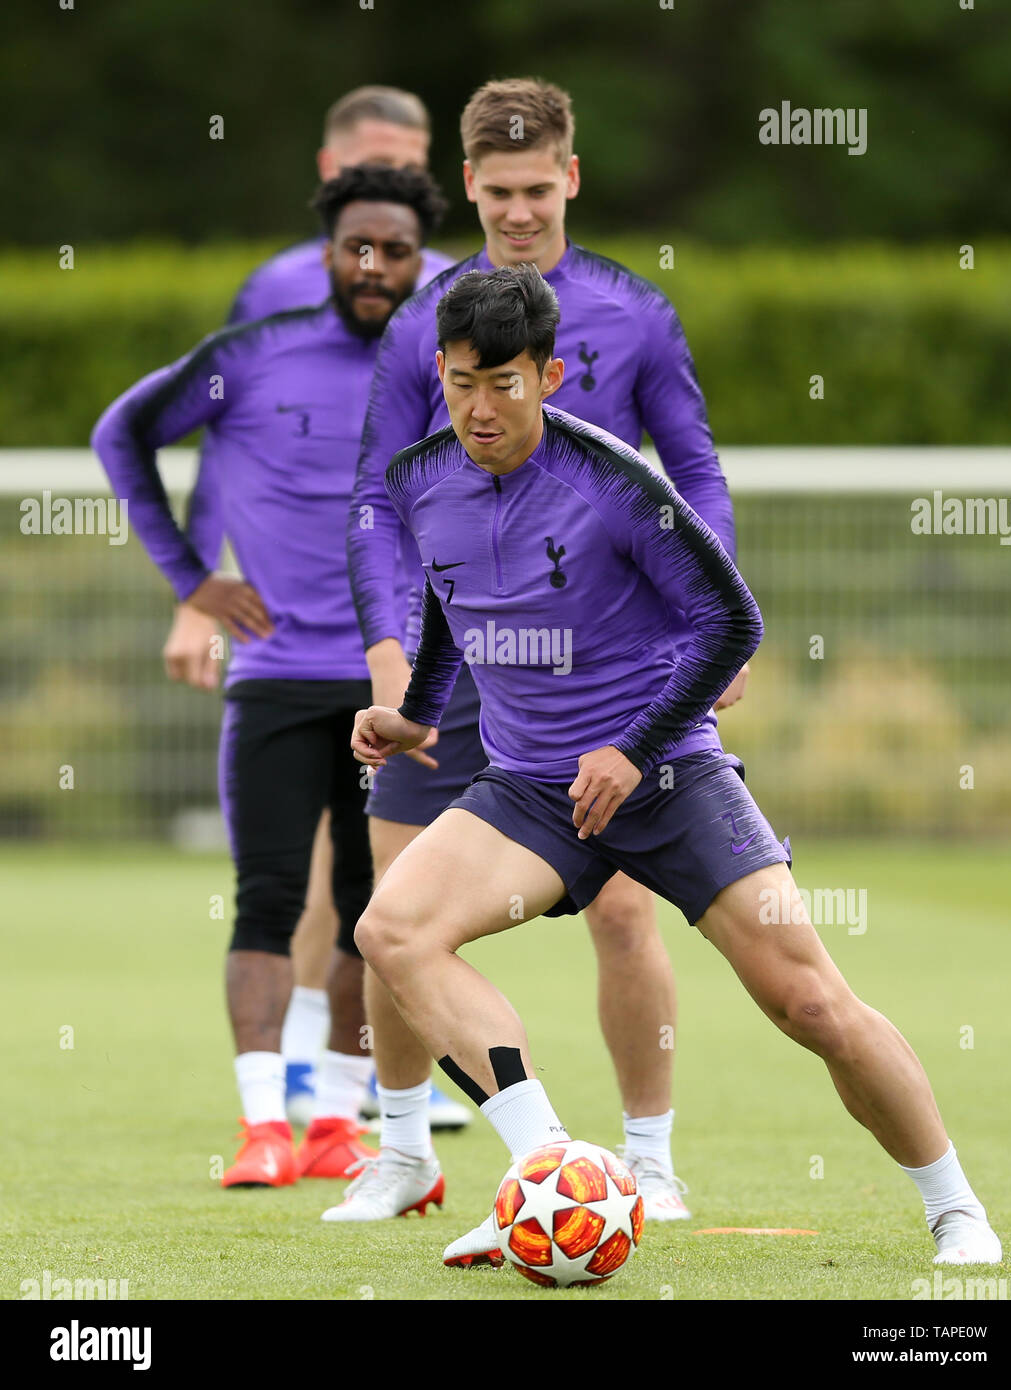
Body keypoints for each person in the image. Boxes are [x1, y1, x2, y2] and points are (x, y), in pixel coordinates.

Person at [351, 264, 1002, 1270]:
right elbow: (446, 607)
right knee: (392, 929)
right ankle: (549, 1168)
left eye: (504, 384)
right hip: (529, 787)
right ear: (438, 371)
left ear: (551, 374)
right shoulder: (416, 483)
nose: (480, 408)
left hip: (667, 775)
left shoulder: (615, 485)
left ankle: (954, 1206)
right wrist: (412, 715)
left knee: (810, 1003)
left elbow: (729, 620)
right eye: (461, 383)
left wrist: (630, 747)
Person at [334, 77, 745, 1236]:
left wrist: (704, 623)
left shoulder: (634, 314)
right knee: (398, 900)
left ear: (570, 177)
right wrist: (387, 656)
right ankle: (404, 1151)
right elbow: (376, 494)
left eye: (537, 189)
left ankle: (646, 1163)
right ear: (466, 184)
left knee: (622, 915)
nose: (517, 212)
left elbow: (694, 472)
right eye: (496, 192)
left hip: (603, 668)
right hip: (455, 657)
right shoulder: (427, 320)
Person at [92, 165, 453, 1187]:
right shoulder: (248, 359)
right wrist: (190, 580)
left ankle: (339, 1121)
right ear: (327, 254)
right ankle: (262, 1126)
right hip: (275, 678)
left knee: (368, 903)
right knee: (265, 896)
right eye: (357, 246)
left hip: (394, 685)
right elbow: (121, 434)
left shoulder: (439, 367)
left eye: (395, 250)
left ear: (419, 260)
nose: (374, 265)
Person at [158, 85, 468, 1131]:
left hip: (413, 635)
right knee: (297, 865)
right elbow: (222, 439)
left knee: (399, 857)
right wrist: (197, 596)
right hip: (293, 638)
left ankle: (389, 1063)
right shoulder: (277, 294)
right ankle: (298, 1058)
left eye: (413, 163)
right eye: (369, 164)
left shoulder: (448, 297)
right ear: (330, 174)